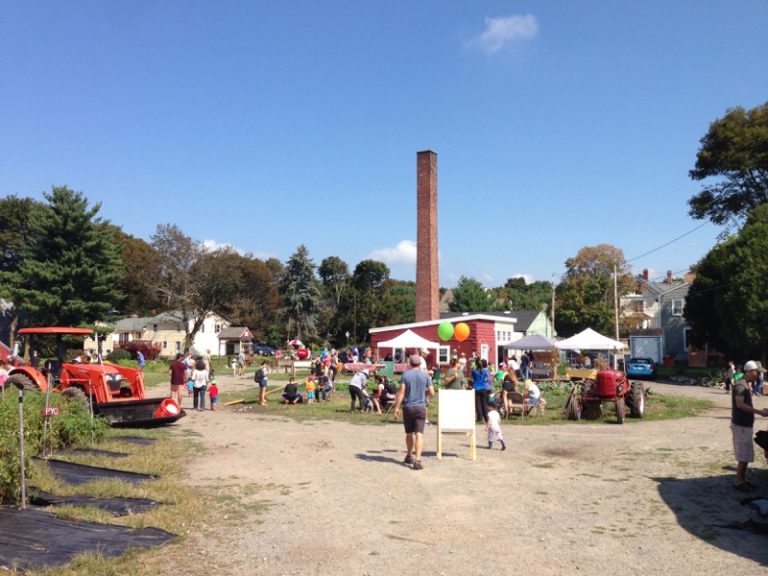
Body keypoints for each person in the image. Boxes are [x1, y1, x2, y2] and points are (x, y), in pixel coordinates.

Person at [393, 354, 435, 470]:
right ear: (420, 364)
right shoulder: (425, 375)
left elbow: (401, 392)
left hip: (408, 407)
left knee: (409, 433)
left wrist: (397, 407)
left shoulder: (405, 375)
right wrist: (424, 395)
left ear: (410, 363)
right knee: (419, 434)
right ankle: (418, 460)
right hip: (421, 407)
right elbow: (432, 392)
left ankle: (409, 455)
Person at [731, 361, 768, 491]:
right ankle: (738, 482)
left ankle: (740, 480)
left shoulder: (745, 384)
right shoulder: (740, 385)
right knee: (743, 455)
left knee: (745, 454)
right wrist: (759, 412)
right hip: (741, 425)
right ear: (748, 371)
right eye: (757, 372)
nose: (758, 375)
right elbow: (740, 404)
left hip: (744, 424)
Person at [471, 358, 491, 423]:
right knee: (484, 404)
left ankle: (479, 418)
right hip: (483, 387)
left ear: (476, 364)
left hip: (476, 387)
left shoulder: (473, 371)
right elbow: (486, 378)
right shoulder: (484, 371)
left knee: (478, 404)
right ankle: (486, 418)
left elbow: (472, 378)